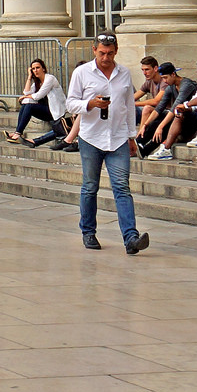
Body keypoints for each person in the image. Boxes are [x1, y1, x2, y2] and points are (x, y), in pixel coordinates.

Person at [65, 33, 150, 255]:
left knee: (122, 187)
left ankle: (131, 237)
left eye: (110, 53)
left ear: (116, 51)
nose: (106, 57)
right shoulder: (82, 73)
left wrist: (132, 136)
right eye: (102, 53)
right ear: (94, 50)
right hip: (91, 136)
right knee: (90, 186)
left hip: (118, 137)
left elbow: (129, 106)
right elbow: (71, 103)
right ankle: (88, 231)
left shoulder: (123, 73)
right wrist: (90, 104)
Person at [7, 58, 67, 146]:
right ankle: (18, 131)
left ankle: (18, 133)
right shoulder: (37, 82)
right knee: (26, 104)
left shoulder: (50, 79)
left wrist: (25, 96)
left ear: (43, 68)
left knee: (29, 105)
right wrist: (29, 77)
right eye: (33, 69)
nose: (35, 70)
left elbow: (38, 95)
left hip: (56, 112)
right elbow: (27, 92)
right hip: (47, 110)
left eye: (37, 68)